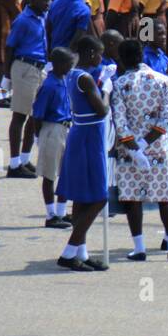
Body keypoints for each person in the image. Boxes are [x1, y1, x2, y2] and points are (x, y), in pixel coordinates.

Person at [111, 37, 168, 263]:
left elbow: (120, 121)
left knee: (132, 198)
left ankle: (139, 247)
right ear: (142, 56)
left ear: (123, 60)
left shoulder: (120, 84)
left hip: (129, 152)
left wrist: (135, 149)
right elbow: (167, 116)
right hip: (158, 149)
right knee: (166, 197)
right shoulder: (163, 80)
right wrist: (147, 143)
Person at [54, 35, 109, 270]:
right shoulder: (85, 78)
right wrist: (107, 88)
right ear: (89, 54)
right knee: (99, 197)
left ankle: (82, 253)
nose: (100, 57)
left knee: (82, 197)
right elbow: (102, 110)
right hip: (88, 138)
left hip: (82, 135)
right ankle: (69, 252)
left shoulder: (73, 74)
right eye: (98, 53)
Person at [4, 0, 49, 177]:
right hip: (25, 67)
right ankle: (14, 164)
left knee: (34, 116)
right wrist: (7, 76)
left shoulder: (42, 17)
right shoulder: (23, 20)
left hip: (39, 68)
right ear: (32, 0)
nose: (48, 3)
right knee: (20, 115)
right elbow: (10, 47)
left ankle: (24, 158)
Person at [31, 47, 75, 230]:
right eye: (67, 64)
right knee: (50, 174)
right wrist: (38, 136)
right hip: (52, 129)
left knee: (64, 173)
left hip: (65, 128)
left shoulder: (63, 80)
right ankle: (51, 215)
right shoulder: (49, 85)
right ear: (57, 64)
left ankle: (61, 212)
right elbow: (37, 114)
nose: (70, 67)